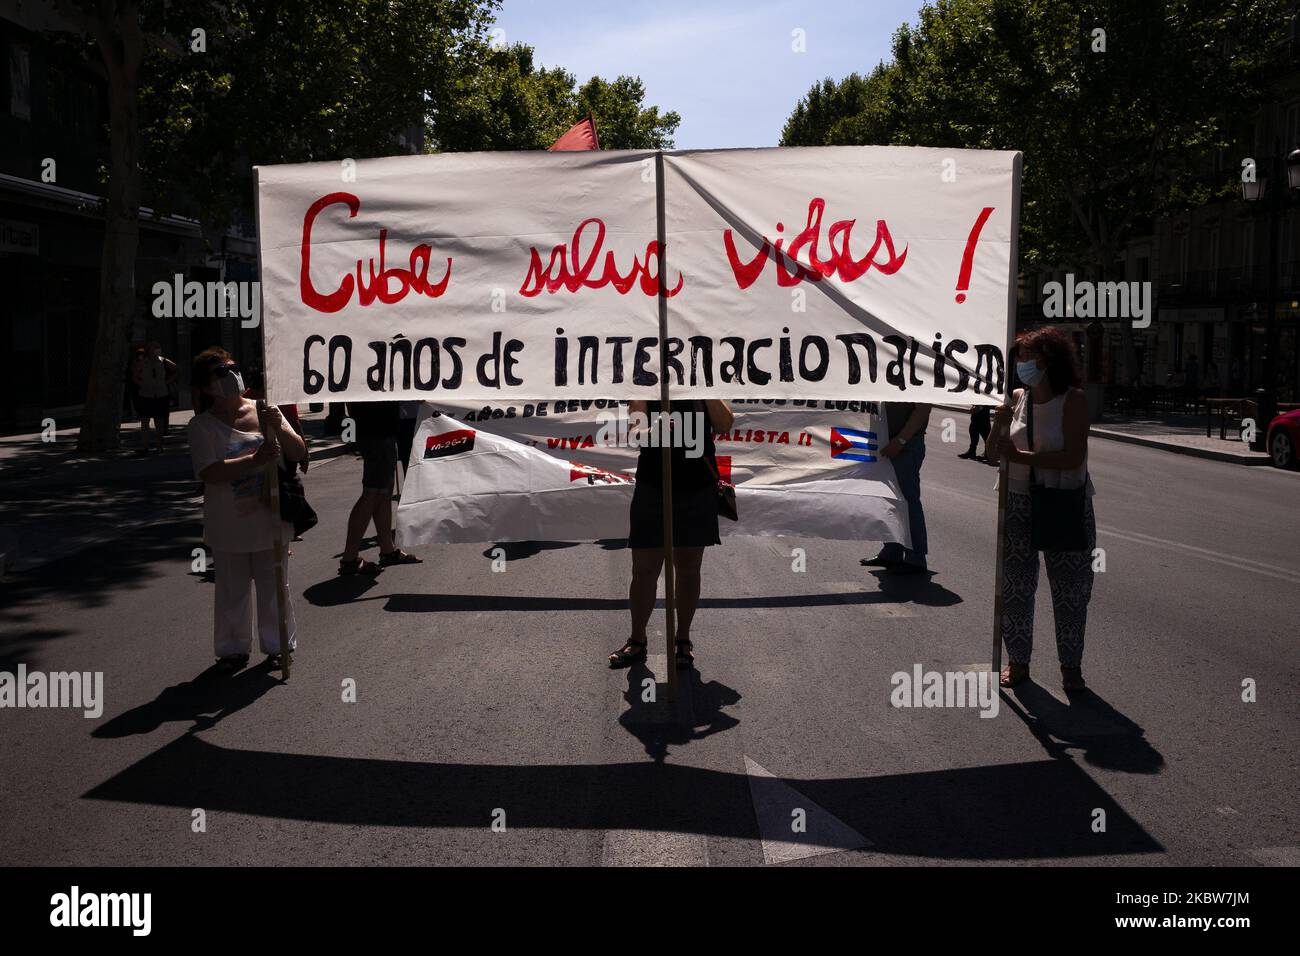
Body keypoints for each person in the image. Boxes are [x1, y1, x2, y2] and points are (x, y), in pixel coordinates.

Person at [989, 327, 1096, 693]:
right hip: (1018, 499)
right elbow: (993, 455)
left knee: (1070, 589)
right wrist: (999, 424)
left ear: (1048, 360)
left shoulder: (1073, 401)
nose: (1020, 363)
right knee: (1015, 586)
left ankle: (1071, 667)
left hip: (1065, 500)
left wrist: (1021, 456)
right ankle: (1018, 661)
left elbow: (1072, 458)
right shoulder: (1016, 398)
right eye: (1017, 356)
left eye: (1027, 356)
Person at [188, 347, 306, 671]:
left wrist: (279, 425)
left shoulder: (266, 410)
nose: (232, 376)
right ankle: (232, 650)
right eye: (222, 373)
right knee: (232, 591)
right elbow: (210, 472)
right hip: (229, 525)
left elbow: (298, 451)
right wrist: (255, 459)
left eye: (233, 367)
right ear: (207, 386)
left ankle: (278, 644)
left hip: (270, 520)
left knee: (274, 588)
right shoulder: (201, 426)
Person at [609, 398, 733, 670]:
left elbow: (725, 424)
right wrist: (655, 433)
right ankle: (637, 639)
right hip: (654, 487)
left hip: (697, 487)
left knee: (688, 568)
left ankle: (683, 640)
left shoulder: (705, 385)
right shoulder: (646, 388)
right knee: (644, 570)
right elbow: (636, 432)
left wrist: (706, 390)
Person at [340, 400, 422, 574]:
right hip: (377, 431)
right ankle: (349, 558)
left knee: (383, 492)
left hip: (377, 430)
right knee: (373, 493)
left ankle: (387, 550)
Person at [862, 402, 931, 573]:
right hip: (881, 442)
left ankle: (915, 558)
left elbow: (923, 409)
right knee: (887, 499)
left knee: (907, 501)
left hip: (904, 445)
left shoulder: (915, 375)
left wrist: (900, 441)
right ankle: (891, 551)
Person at [135, 341, 176, 456]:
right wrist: (142, 384)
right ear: (149, 350)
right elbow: (134, 375)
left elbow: (176, 369)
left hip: (161, 394)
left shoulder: (163, 361)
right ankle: (145, 447)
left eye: (158, 347)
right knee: (145, 421)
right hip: (146, 395)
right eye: (154, 348)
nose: (156, 350)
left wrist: (167, 382)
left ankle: (159, 447)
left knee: (159, 422)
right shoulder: (143, 362)